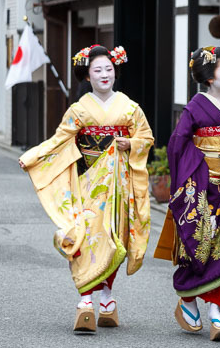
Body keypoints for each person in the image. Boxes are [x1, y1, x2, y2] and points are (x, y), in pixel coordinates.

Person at [19, 44, 154, 333]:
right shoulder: (78, 110)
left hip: (118, 184)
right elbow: (58, 141)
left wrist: (130, 144)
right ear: (87, 76)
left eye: (108, 69)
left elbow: (146, 138)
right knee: (85, 236)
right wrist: (33, 156)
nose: (104, 74)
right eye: (97, 70)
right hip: (87, 182)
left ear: (115, 72)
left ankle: (106, 295)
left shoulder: (130, 108)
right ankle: (86, 299)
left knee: (114, 237)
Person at [154, 42, 220, 342]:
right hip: (200, 184)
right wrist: (185, 180)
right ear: (210, 77)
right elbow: (177, 144)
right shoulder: (196, 107)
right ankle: (187, 298)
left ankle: (217, 310)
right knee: (196, 245)